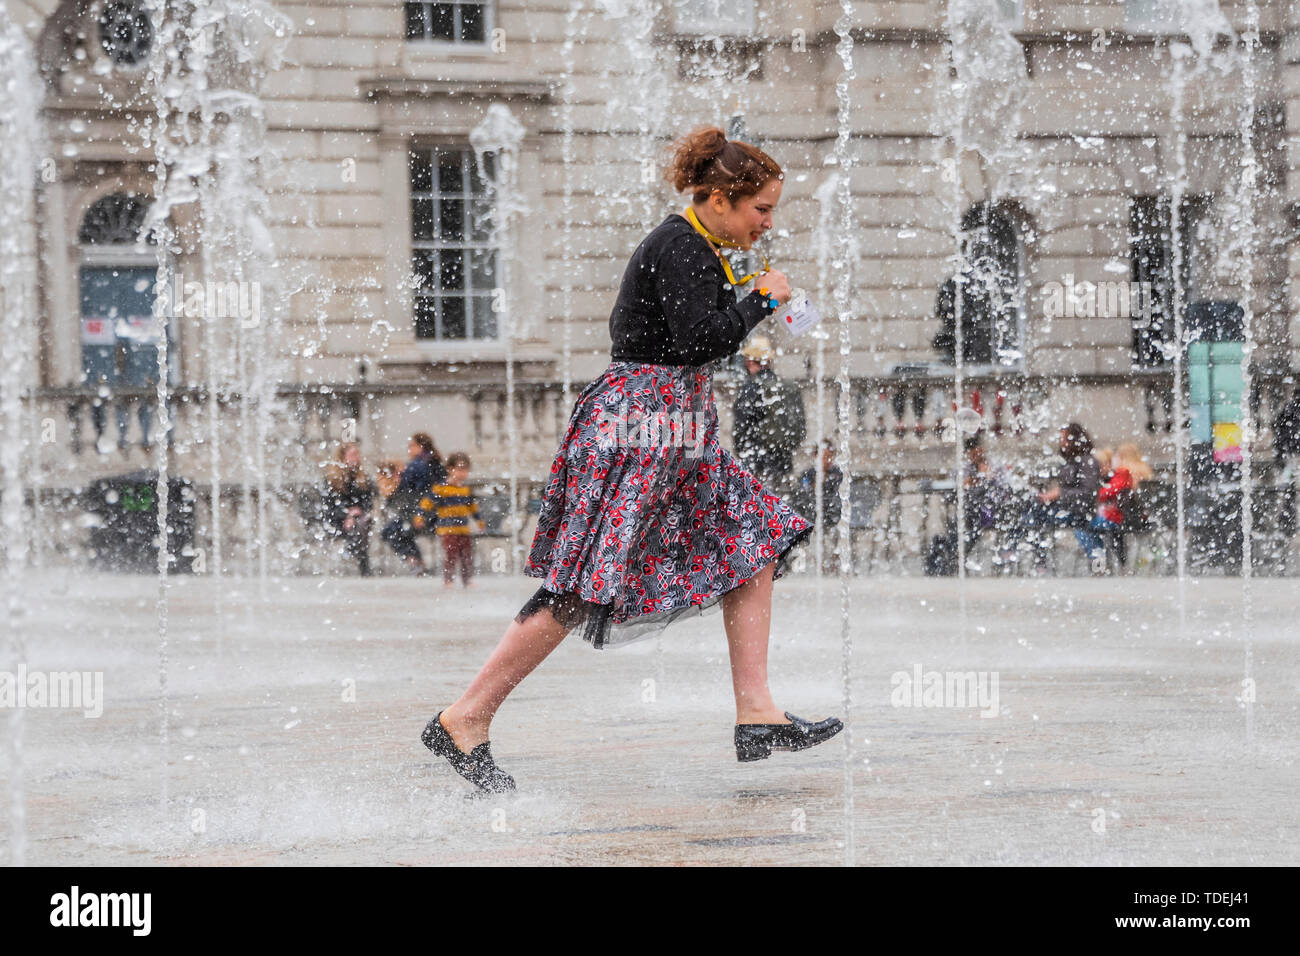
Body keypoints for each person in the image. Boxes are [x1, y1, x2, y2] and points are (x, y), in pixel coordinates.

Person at [422, 125, 840, 793]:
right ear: (722, 198)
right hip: (641, 431)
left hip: (676, 434)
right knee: (582, 586)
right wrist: (762, 300)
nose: (768, 223)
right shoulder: (681, 246)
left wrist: (749, 296)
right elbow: (696, 343)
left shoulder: (700, 246)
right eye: (762, 208)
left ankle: (756, 711)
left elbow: (694, 342)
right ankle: (465, 716)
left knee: (754, 540)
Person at [1017, 423, 1103, 571]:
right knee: (1029, 510)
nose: (1061, 442)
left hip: (1079, 512)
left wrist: (1059, 494)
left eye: (1064, 438)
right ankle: (1035, 557)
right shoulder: (1069, 462)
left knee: (1034, 514)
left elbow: (1088, 493)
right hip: (1066, 509)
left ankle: (1037, 560)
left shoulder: (1087, 461)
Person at [733, 334, 806, 495]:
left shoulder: (750, 389)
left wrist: (746, 456)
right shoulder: (787, 387)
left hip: (756, 465)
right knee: (779, 508)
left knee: (757, 508)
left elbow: (742, 428)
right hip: (784, 463)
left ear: (750, 361)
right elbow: (800, 428)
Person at [380, 432, 446, 576]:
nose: (409, 450)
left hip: (418, 516)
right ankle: (418, 562)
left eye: (411, 446)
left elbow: (401, 495)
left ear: (420, 447)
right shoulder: (437, 463)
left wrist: (398, 477)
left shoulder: (415, 466)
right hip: (437, 517)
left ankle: (415, 561)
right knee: (397, 530)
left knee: (389, 532)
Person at [322, 442, 376, 576]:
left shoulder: (363, 479)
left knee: (363, 523)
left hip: (357, 520)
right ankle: (362, 561)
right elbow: (329, 506)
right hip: (337, 520)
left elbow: (368, 503)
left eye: (357, 454)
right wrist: (346, 514)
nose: (356, 458)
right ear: (342, 457)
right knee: (361, 527)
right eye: (353, 454)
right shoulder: (332, 479)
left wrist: (354, 514)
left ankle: (353, 549)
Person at [432, 452, 483, 588]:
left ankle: (467, 580)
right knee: (451, 554)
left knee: (466, 554)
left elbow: (472, 507)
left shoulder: (465, 490)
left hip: (463, 528)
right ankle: (448, 579)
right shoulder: (441, 488)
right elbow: (428, 501)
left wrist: (479, 521)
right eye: (460, 469)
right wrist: (420, 515)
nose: (463, 474)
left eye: (466, 470)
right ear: (449, 469)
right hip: (447, 528)